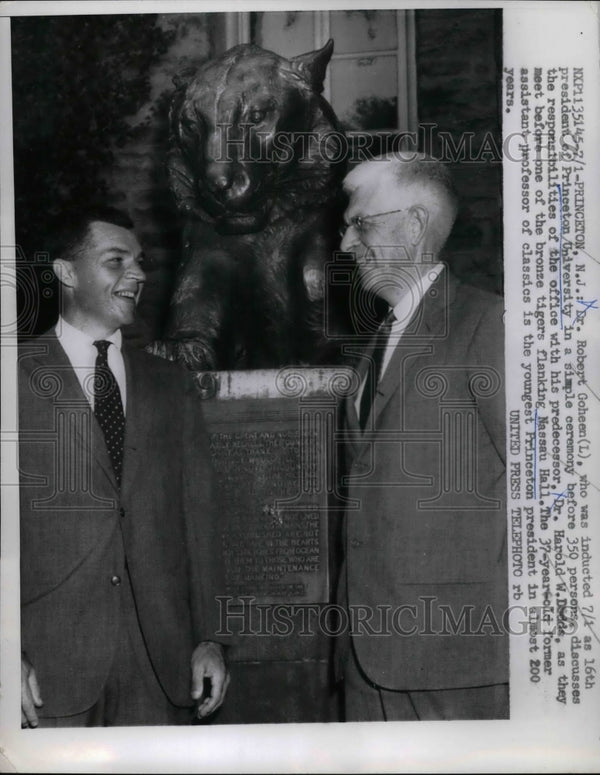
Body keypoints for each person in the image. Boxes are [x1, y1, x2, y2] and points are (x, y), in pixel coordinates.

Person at [19, 207, 229, 727]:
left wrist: (212, 638)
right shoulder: (11, 379)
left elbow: (200, 519)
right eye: (116, 261)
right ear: (66, 273)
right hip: (47, 663)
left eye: (139, 262)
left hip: (160, 662)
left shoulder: (170, 383)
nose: (137, 275)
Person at [335, 153, 508, 721]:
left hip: (458, 660)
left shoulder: (489, 326)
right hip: (367, 658)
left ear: (412, 226)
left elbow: (553, 498)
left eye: (359, 223)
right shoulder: (378, 341)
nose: (344, 244)